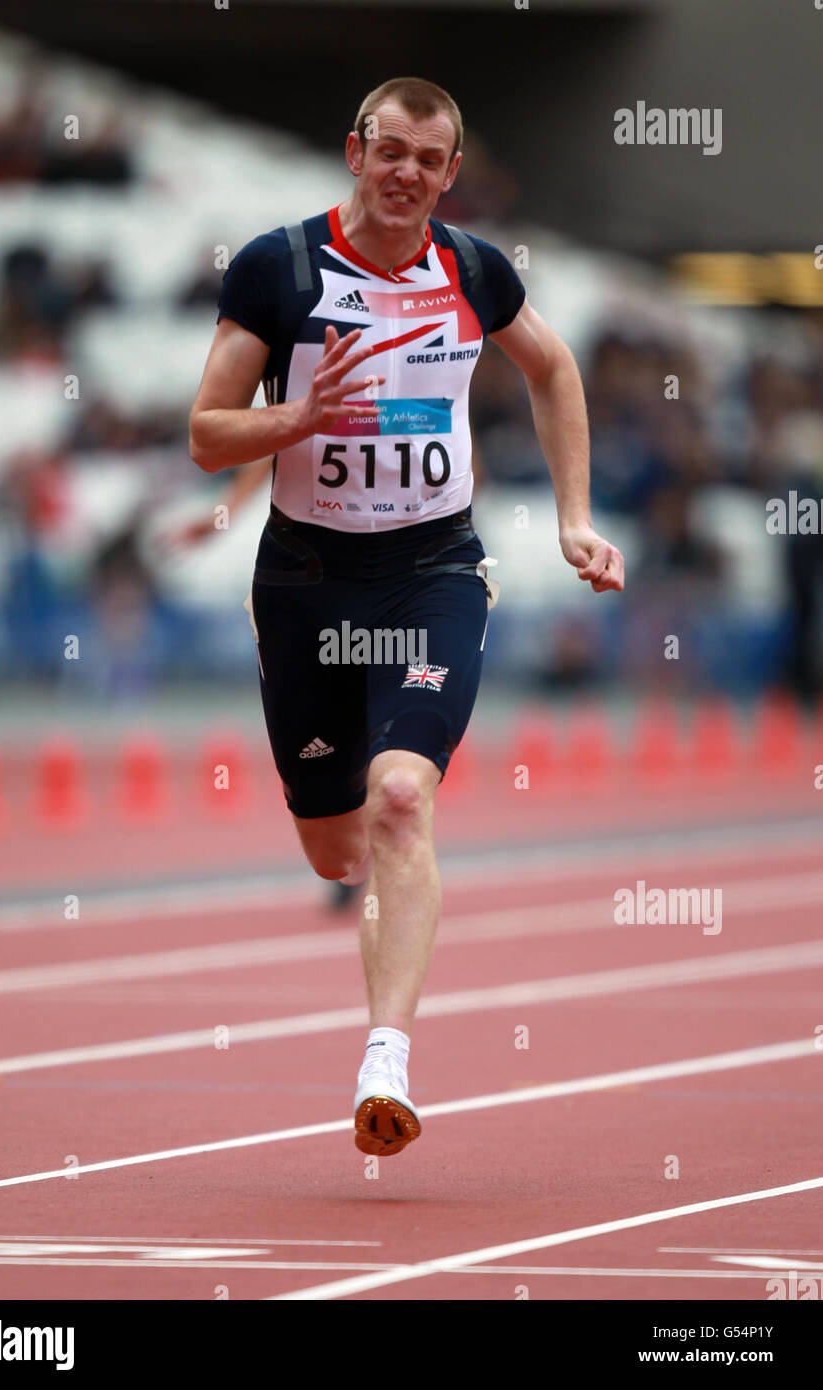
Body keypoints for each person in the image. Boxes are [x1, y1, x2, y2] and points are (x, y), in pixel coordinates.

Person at [190, 77, 624, 1157]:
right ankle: (360, 871)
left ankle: (386, 1054)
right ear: (355, 150)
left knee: (399, 798)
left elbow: (555, 370)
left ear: (450, 175)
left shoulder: (475, 270)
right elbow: (206, 433)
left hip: (432, 569)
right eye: (392, 152)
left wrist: (574, 518)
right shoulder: (279, 268)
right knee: (338, 851)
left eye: (432, 163)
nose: (409, 176)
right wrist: (300, 415)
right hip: (305, 580)